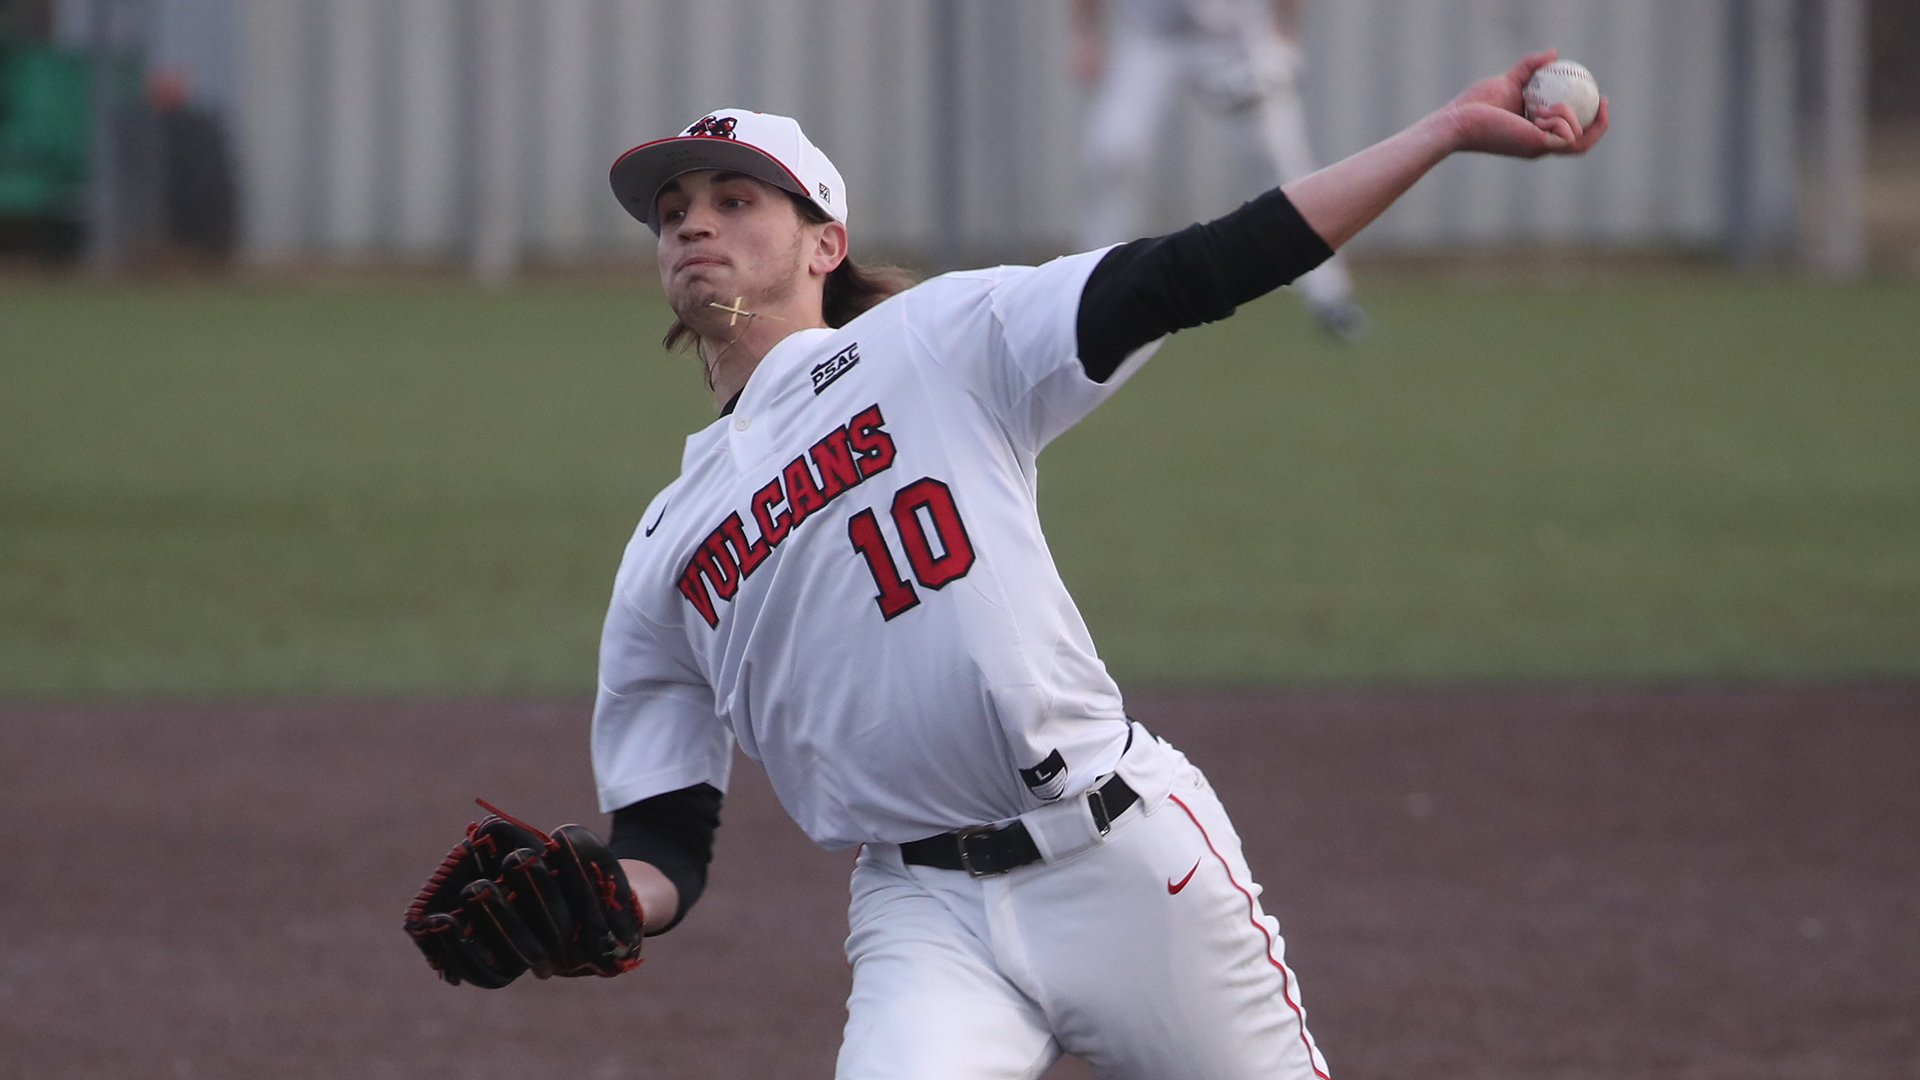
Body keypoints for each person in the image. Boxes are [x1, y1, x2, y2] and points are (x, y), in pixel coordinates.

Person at [587, 51, 1601, 1080]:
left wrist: (1439, 135)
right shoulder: (664, 547)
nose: (694, 223)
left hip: (1122, 861)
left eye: (735, 197)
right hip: (922, 912)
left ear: (824, 244)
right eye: (672, 212)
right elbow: (665, 834)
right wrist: (612, 900)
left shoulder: (934, 342)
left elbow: (1197, 268)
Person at [1072, 0, 1370, 340]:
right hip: (1152, 38)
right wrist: (1086, 36)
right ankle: (1086, 291)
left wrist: (1285, 33)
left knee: (1281, 160)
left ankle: (1330, 294)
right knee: (1113, 155)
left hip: (1237, 38)